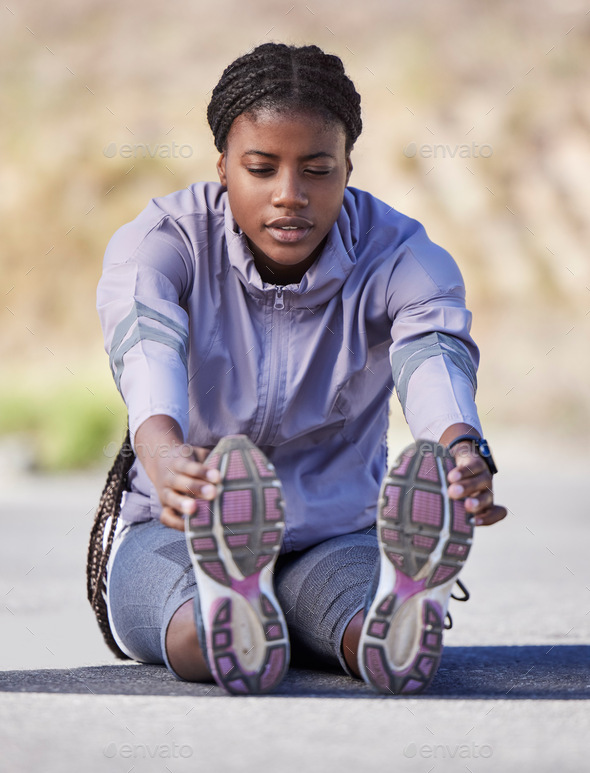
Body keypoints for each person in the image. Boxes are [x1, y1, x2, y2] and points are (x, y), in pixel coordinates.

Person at [87, 42, 507, 696]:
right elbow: (146, 343)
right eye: (261, 168)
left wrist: (459, 449)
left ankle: (386, 631)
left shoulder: (400, 256)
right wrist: (163, 452)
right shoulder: (164, 241)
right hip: (182, 525)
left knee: (355, 621)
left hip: (332, 534)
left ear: (348, 168)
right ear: (223, 166)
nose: (290, 195)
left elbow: (433, 353)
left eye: (317, 169)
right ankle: (235, 609)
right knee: (195, 631)